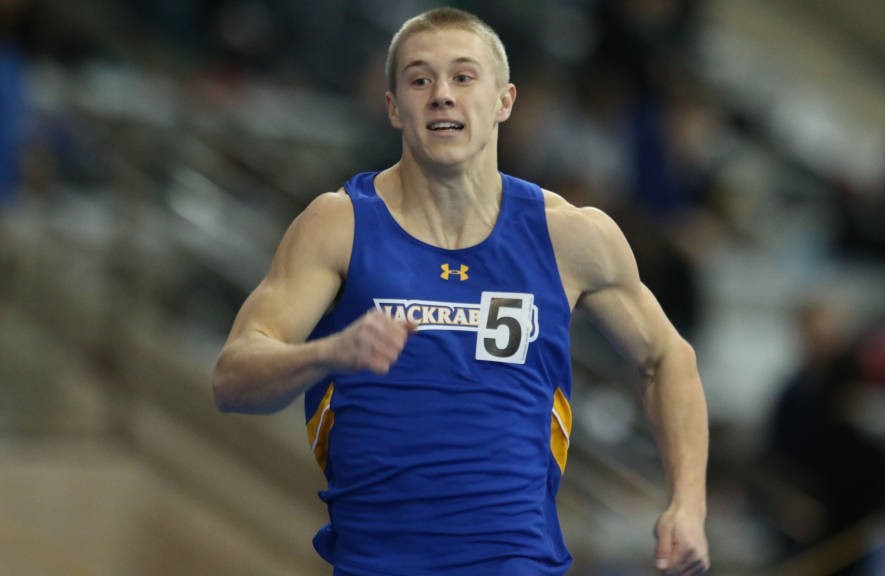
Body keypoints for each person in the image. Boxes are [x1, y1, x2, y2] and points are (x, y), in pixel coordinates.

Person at [212, 7, 709, 575]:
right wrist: (328, 352)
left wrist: (687, 504)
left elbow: (668, 356)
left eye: (464, 77)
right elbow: (232, 380)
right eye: (420, 79)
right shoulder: (339, 225)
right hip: (375, 562)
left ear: (505, 101)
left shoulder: (571, 235)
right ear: (394, 107)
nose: (442, 95)